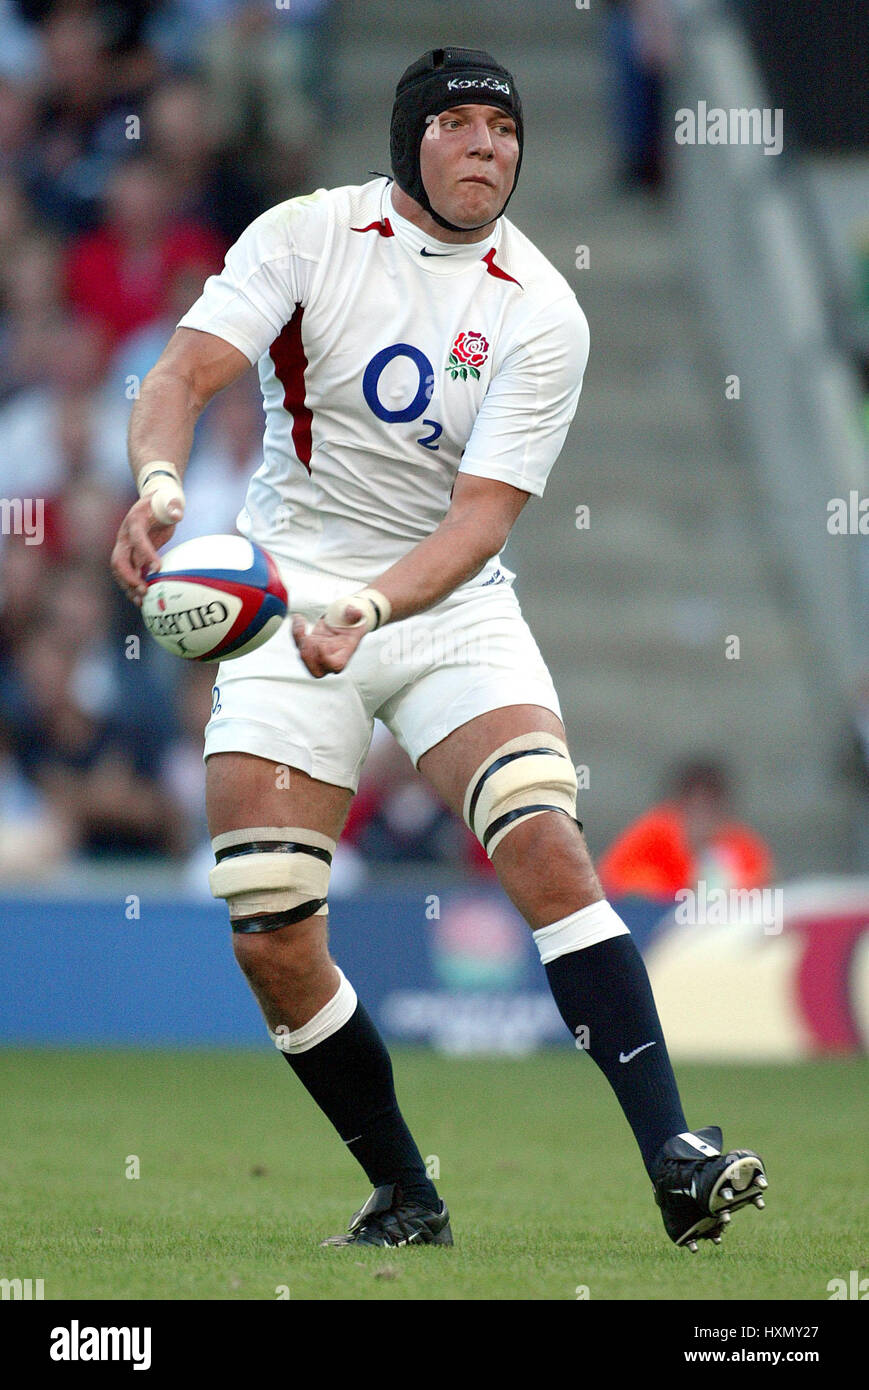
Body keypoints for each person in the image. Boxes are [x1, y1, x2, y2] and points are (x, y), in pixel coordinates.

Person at [111, 47, 767, 1251]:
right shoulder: (307, 235)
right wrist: (157, 484)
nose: (486, 147)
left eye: (502, 130)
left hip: (445, 601)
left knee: (544, 839)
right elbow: (184, 372)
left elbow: (478, 522)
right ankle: (405, 1192)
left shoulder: (541, 307)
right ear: (408, 140)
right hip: (282, 587)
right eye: (458, 124)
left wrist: (372, 609)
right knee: (270, 928)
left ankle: (673, 1153)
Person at [599, 758, 774, 900]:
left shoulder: (739, 842)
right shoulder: (655, 832)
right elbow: (613, 879)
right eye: (694, 807)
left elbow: (763, 888)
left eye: (710, 807)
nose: (701, 817)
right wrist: (678, 887)